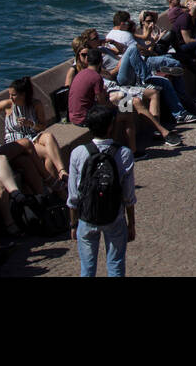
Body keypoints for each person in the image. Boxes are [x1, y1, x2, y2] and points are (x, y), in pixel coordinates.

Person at [68, 104, 137, 277]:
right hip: (115, 216)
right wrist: (131, 223)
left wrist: (73, 223)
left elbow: (73, 195)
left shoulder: (77, 153)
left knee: (87, 268)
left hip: (87, 216)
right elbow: (128, 195)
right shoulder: (124, 153)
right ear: (110, 126)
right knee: (116, 264)